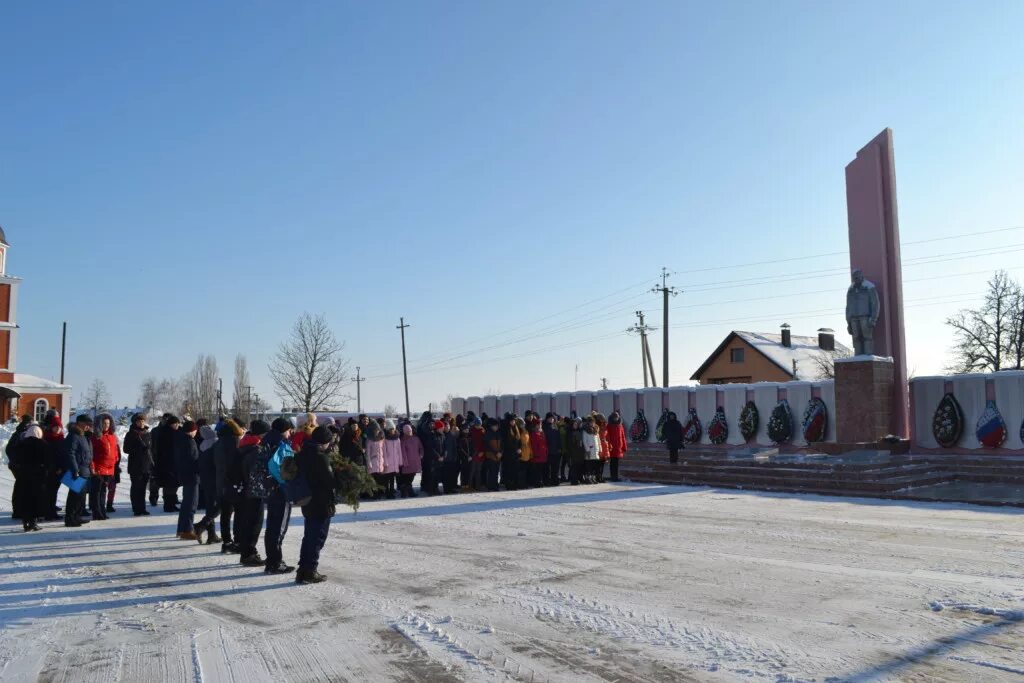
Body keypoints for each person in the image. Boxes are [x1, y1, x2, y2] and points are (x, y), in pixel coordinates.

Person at [294, 426, 337, 585]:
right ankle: (310, 570)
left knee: (309, 536)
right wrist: (338, 474)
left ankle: (303, 570)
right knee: (317, 537)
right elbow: (330, 481)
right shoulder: (320, 457)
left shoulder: (302, 454)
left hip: (307, 500)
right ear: (324, 442)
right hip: (321, 502)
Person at [263, 417, 296, 575]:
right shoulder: (279, 443)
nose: (290, 433)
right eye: (289, 430)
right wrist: (285, 482)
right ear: (284, 430)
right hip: (279, 490)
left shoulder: (269, 440)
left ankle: (273, 561)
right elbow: (274, 465)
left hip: (271, 489)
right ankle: (275, 562)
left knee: (272, 526)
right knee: (279, 527)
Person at [236, 419, 270, 566]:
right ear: (261, 434)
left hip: (246, 490)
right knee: (254, 522)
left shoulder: (245, 444)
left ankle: (247, 551)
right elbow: (255, 473)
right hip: (254, 492)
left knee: (247, 521)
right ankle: (249, 553)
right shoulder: (256, 449)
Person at [212, 418, 245, 553]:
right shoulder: (234, 442)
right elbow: (235, 463)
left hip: (221, 482)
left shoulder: (219, 442)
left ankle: (226, 541)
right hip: (233, 482)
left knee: (225, 514)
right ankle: (237, 541)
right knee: (238, 513)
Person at [13, 424, 51, 531]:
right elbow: (48, 461)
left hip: (23, 477)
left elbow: (15, 460)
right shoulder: (43, 444)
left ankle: (25, 522)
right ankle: (33, 522)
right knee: (36, 499)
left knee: (25, 499)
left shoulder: (21, 445)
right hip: (38, 477)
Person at [62, 414, 94, 527]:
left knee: (81, 497)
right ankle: (70, 519)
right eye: (86, 424)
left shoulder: (82, 435)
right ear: (79, 423)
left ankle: (77, 516)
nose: (88, 427)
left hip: (84, 470)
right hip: (78, 471)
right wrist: (75, 470)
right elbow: (70, 453)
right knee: (75, 496)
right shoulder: (74, 435)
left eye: (89, 425)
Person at [194, 423, 222, 545]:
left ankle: (211, 534)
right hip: (215, 480)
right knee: (221, 505)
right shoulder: (216, 444)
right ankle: (201, 525)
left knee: (210, 506)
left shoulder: (202, 445)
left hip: (205, 480)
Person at [89, 413, 119, 521]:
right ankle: (96, 512)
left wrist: (115, 459)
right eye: (104, 423)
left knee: (103, 491)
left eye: (108, 423)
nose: (107, 425)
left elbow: (115, 451)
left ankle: (102, 510)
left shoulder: (112, 437)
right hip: (99, 468)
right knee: (96, 491)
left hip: (109, 469)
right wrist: (93, 467)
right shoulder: (96, 437)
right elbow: (91, 454)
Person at [123, 413, 153, 516]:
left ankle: (142, 508)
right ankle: (136, 508)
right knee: (136, 488)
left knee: (143, 489)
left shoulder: (147, 433)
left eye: (143, 421)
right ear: (135, 422)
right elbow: (126, 449)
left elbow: (151, 449)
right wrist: (138, 448)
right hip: (135, 465)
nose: (141, 423)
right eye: (139, 421)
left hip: (146, 465)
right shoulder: (131, 434)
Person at [175, 420, 200, 540]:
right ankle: (187, 530)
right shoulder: (190, 442)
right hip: (191, 476)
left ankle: (181, 529)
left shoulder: (180, 440)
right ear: (192, 431)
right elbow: (193, 460)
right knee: (191, 504)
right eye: (195, 430)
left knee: (186, 504)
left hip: (185, 475)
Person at [7, 415, 34, 520]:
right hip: (19, 466)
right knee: (21, 487)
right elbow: (10, 449)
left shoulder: (19, 432)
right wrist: (17, 462)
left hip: (17, 465)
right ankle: (18, 511)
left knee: (19, 487)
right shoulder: (22, 433)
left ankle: (18, 510)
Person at [42, 412, 66, 520]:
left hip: (60, 470)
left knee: (54, 492)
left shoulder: (61, 439)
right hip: (51, 470)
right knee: (49, 492)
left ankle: (51, 510)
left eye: (59, 427)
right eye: (55, 427)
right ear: (51, 427)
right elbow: (48, 456)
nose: (57, 429)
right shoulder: (47, 439)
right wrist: (54, 467)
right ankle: (49, 512)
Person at [155, 414, 181, 512]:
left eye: (178, 423)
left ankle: (172, 504)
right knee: (169, 486)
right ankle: (168, 505)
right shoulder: (166, 433)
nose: (177, 425)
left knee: (173, 485)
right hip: (167, 463)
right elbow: (163, 450)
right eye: (175, 424)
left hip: (174, 463)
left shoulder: (175, 432)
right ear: (171, 424)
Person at [398, 424, 422, 498]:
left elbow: (421, 447)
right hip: (407, 464)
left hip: (415, 462)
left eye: (410, 431)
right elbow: (403, 452)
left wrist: (421, 455)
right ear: (404, 432)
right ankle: (404, 492)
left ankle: (409, 491)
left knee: (411, 478)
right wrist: (405, 462)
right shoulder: (403, 440)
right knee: (406, 479)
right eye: (408, 431)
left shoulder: (416, 439)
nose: (409, 432)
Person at [364, 417, 386, 499]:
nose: (377, 431)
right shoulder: (369, 440)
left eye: (378, 430)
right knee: (373, 480)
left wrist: (384, 461)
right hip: (373, 462)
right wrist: (369, 463)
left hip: (380, 462)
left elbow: (384, 451)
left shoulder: (381, 439)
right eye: (375, 430)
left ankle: (379, 494)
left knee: (380, 479)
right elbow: (368, 453)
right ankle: (374, 494)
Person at [500, 415, 521, 490]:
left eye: (514, 421)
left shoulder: (516, 428)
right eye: (512, 421)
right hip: (507, 453)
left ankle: (515, 484)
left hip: (515, 453)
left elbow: (519, 440)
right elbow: (503, 442)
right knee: (508, 469)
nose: (513, 422)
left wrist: (519, 448)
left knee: (515, 469)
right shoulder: (506, 429)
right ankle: (508, 485)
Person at [382, 419, 402, 499]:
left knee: (392, 478)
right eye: (390, 429)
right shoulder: (385, 439)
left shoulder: (397, 439)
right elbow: (384, 451)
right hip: (388, 462)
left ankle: (391, 491)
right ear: (387, 430)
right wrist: (385, 462)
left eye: (393, 429)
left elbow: (399, 451)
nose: (392, 431)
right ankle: (387, 492)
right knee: (387, 479)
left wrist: (400, 461)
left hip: (395, 462)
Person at [606, 411, 628, 482]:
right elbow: (607, 437)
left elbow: (623, 437)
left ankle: (616, 477)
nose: (616, 418)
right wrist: (609, 445)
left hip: (618, 447)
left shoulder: (620, 425)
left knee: (616, 463)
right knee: (612, 463)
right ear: (612, 418)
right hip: (612, 447)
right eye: (615, 417)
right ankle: (613, 477)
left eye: (617, 417)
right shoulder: (609, 426)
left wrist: (624, 446)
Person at [482, 418, 502, 491]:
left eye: (497, 426)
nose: (496, 427)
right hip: (491, 455)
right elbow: (488, 446)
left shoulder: (498, 433)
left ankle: (495, 485)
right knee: (491, 471)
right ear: (491, 426)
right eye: (495, 426)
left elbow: (502, 444)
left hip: (498, 455)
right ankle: (490, 486)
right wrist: (496, 453)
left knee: (496, 472)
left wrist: (500, 452)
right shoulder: (488, 433)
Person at [542, 413, 562, 487]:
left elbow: (558, 438)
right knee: (547, 467)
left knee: (556, 466)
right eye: (550, 418)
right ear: (547, 418)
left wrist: (560, 448)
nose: (551, 419)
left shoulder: (555, 427)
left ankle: (555, 479)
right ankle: (547, 480)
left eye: (552, 418)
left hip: (556, 450)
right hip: (548, 450)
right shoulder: (544, 427)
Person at [440, 422, 460, 494]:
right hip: (444, 459)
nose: (447, 427)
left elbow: (455, 447)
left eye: (448, 426)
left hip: (452, 458)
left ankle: (451, 488)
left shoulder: (451, 435)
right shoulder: (442, 435)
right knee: (445, 475)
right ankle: (446, 489)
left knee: (452, 475)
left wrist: (455, 457)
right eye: (445, 426)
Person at [581, 416, 602, 484]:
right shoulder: (585, 431)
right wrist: (587, 449)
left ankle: (593, 478)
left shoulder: (596, 430)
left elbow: (598, 440)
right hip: (589, 451)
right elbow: (584, 441)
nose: (592, 424)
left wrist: (600, 449)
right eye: (591, 422)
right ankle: (588, 478)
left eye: (593, 422)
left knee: (594, 466)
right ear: (588, 423)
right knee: (589, 466)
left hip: (596, 450)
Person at [566, 417, 585, 485]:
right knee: (573, 467)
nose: (575, 425)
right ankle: (574, 480)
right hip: (573, 453)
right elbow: (570, 444)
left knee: (578, 466)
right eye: (574, 424)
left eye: (576, 424)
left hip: (579, 452)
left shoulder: (579, 431)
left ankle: (578, 478)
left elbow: (581, 442)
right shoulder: (570, 432)